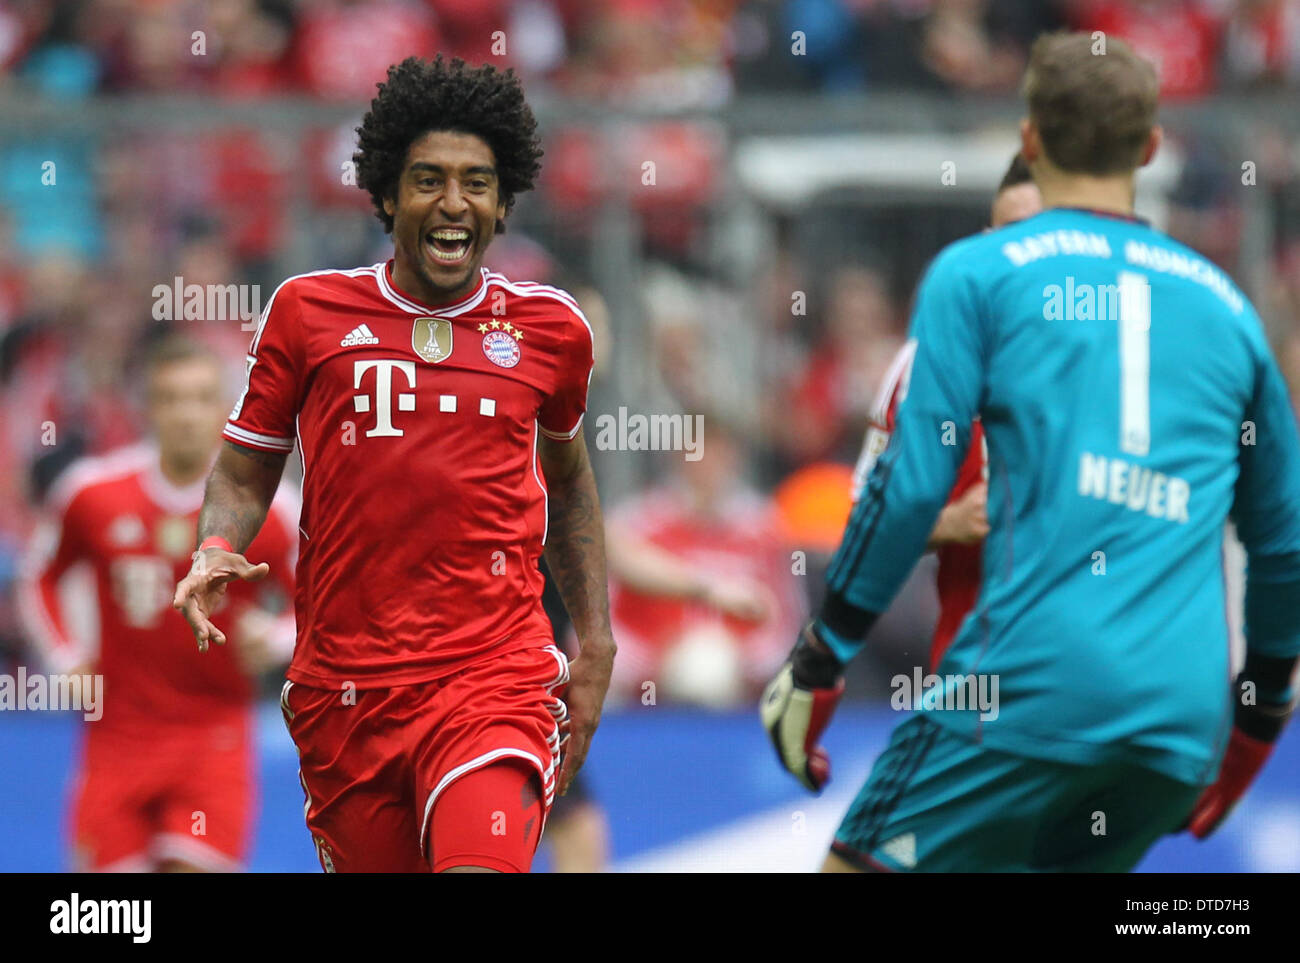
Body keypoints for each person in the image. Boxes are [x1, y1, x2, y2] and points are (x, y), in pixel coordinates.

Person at [763, 31, 1300, 872]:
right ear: (1152, 147)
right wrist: (1258, 722)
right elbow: (1283, 545)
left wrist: (820, 656)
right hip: (1178, 720)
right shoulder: (1231, 310)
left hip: (1023, 692)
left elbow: (905, 491)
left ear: (1029, 137)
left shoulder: (979, 273)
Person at [172, 55, 616, 874]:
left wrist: (598, 640)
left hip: (494, 675)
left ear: (505, 199)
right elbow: (242, 469)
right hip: (346, 693)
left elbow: (572, 480)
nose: (454, 204)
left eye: (477, 182)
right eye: (428, 180)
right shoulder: (307, 314)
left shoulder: (552, 331)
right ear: (385, 194)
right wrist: (212, 546)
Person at [20, 335, 298, 871]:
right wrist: (64, 657)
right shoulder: (94, 493)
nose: (185, 414)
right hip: (117, 739)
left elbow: (319, 596)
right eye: (170, 399)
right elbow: (41, 576)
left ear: (223, 408)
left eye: (198, 398)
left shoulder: (268, 509)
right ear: (147, 407)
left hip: (213, 738)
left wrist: (276, 638)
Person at [850, 152, 1042, 673]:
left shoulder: (1134, 359)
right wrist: (947, 522)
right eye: (1008, 238)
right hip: (979, 686)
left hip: (1105, 696)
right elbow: (862, 525)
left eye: (1042, 239)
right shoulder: (928, 367)